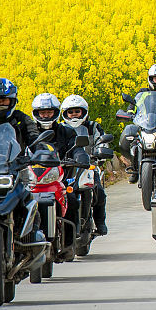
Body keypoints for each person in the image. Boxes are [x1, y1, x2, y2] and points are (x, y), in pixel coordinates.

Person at [60, 94, 108, 236]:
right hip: (65, 167)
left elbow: (102, 140)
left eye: (77, 111)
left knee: (99, 191)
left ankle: (100, 221)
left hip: (89, 166)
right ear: (65, 113)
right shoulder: (61, 129)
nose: (74, 115)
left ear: (84, 112)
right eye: (70, 112)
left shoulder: (93, 126)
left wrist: (101, 151)